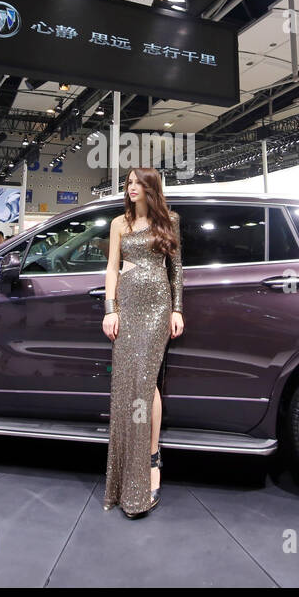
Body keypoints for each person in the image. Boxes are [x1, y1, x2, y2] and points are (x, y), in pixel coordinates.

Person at [101, 167, 183, 519]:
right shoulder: (119, 223)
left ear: (152, 188)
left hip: (156, 308)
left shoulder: (170, 220)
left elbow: (176, 270)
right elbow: (111, 268)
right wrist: (110, 310)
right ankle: (131, 473)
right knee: (128, 386)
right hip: (128, 306)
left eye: (138, 183)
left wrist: (177, 309)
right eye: (129, 183)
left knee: (145, 383)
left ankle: (151, 462)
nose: (132, 188)